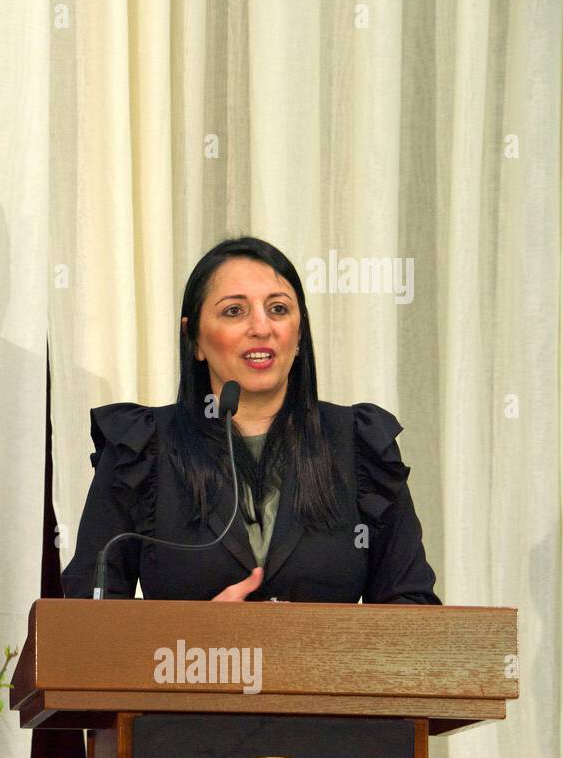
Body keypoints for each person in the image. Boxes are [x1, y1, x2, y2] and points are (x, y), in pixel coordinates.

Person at [62, 236, 440, 605]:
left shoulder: (359, 444)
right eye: (234, 311)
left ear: (299, 333)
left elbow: (411, 607)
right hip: (186, 668)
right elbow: (88, 620)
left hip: (324, 670)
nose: (262, 328)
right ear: (193, 338)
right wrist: (197, 642)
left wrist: (323, 647)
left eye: (278, 309)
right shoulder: (140, 449)